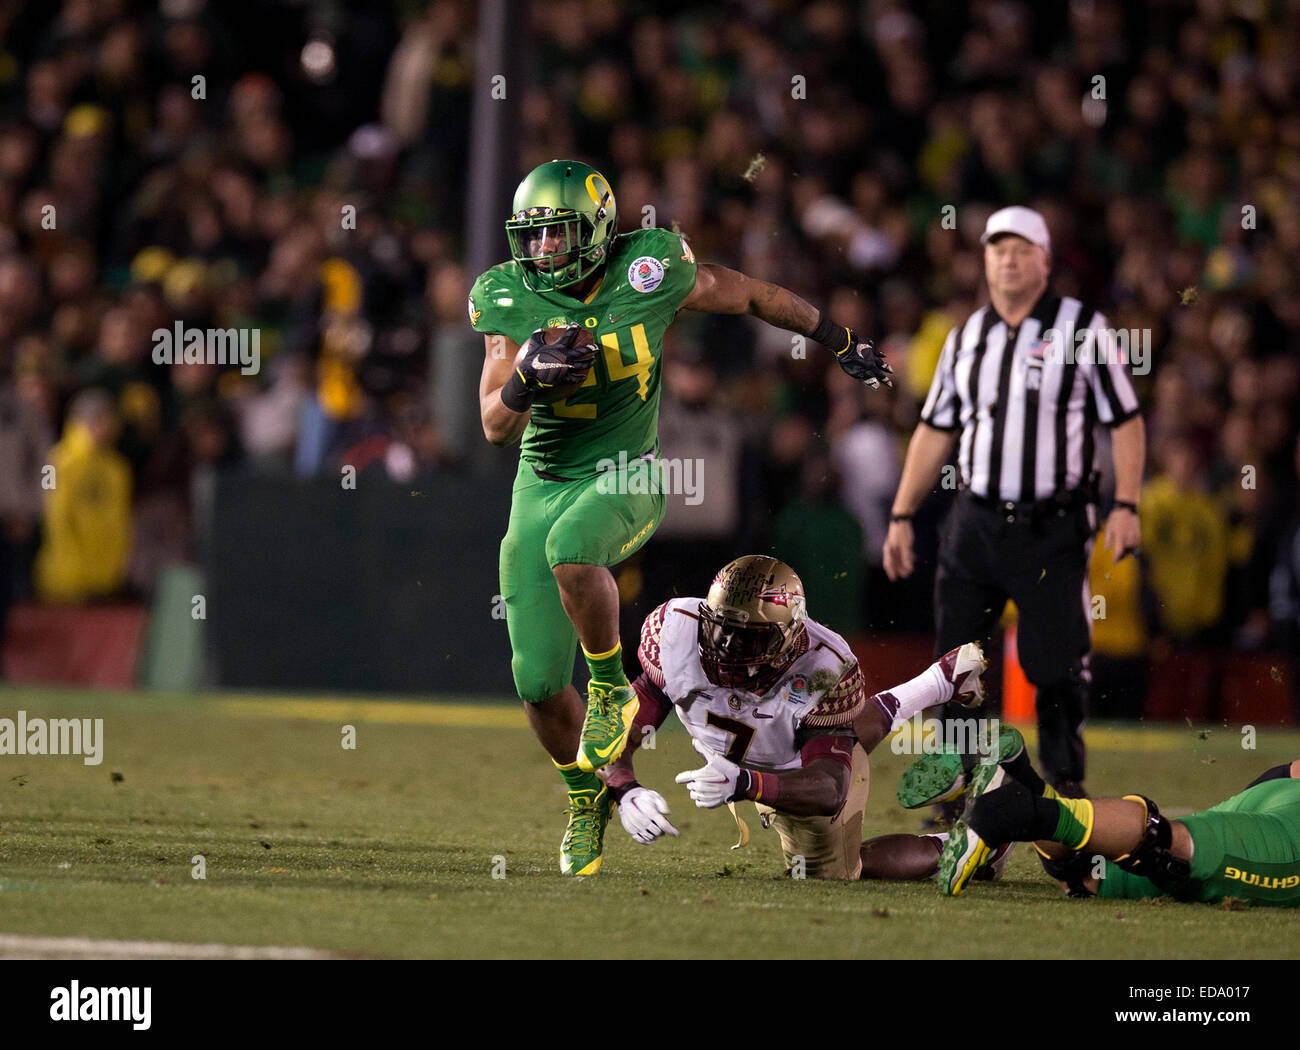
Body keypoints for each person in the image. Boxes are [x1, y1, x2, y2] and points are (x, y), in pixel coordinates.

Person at [470, 160, 894, 876]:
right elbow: (490, 426)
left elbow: (753, 295)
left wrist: (840, 341)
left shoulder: (651, 267)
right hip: (540, 479)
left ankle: (609, 685)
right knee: (537, 682)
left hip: (626, 471)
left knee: (576, 550)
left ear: (599, 231)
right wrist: (522, 382)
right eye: (532, 237)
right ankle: (586, 798)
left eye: (558, 235)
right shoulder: (504, 296)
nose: (542, 252)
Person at [882, 205, 1145, 799]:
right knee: (957, 666)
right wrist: (901, 514)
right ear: (984, 260)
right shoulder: (966, 335)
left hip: (1052, 526)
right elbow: (934, 428)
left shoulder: (1084, 327)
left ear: (1046, 262)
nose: (1008, 259)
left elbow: (1126, 420)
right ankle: (958, 790)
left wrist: (1126, 504)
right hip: (973, 522)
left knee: (1054, 665)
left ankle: (1065, 788)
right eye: (998, 248)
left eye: (1022, 249)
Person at [603, 554, 996, 882]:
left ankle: (979, 839)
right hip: (764, 746)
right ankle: (941, 680)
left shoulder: (824, 669)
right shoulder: (675, 632)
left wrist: (746, 782)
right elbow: (617, 729)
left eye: (751, 637)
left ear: (790, 635)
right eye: (721, 629)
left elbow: (829, 788)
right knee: (829, 730)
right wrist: (626, 789)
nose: (727, 648)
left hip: (792, 770)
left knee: (824, 870)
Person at [906, 734, 1300, 905]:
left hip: (1283, 788)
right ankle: (1016, 809)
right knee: (1167, 846)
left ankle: (1022, 785)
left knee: (1085, 876)